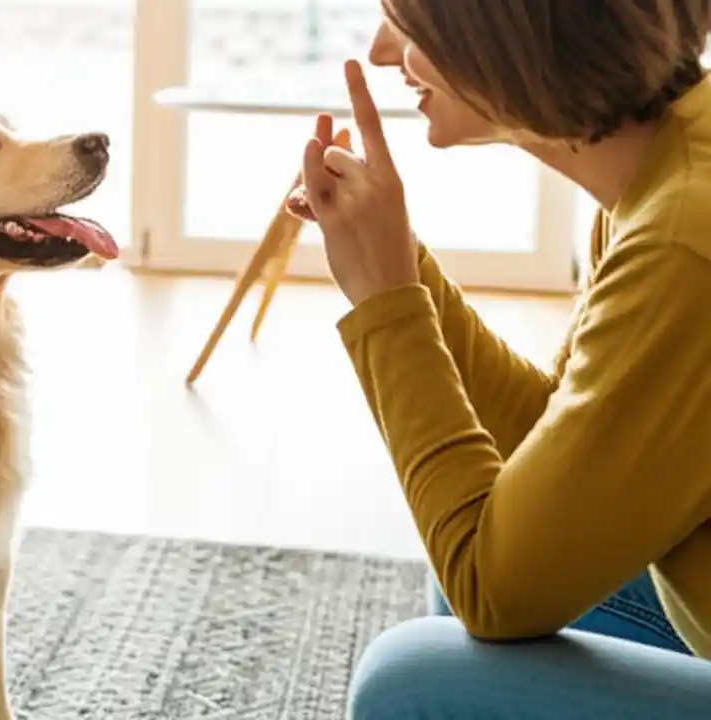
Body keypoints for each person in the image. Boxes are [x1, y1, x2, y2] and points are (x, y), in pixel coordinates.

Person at [284, 1, 711, 717]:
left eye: (409, 23)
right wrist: (398, 261)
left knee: (411, 679)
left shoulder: (681, 241)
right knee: (483, 537)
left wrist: (385, 301)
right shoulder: (667, 170)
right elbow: (560, 440)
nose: (385, 52)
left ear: (500, 30)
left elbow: (492, 588)